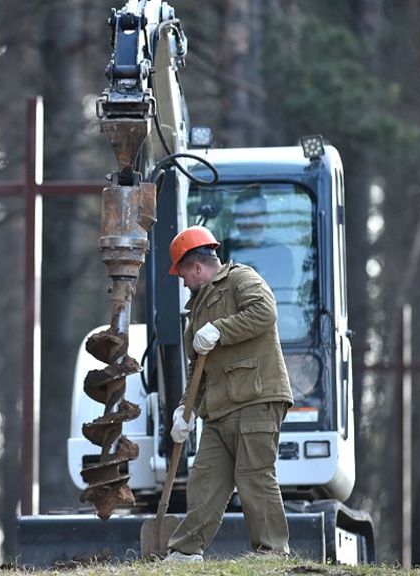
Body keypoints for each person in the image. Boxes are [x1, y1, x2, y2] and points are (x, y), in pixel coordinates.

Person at [163, 225, 293, 563]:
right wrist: (185, 410)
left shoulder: (240, 278)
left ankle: (272, 553)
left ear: (196, 267)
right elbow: (197, 368)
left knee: (254, 477)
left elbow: (265, 312)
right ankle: (185, 552)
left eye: (182, 274)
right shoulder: (196, 311)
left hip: (256, 398)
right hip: (219, 409)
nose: (183, 282)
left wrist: (219, 330)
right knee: (204, 480)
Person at [220, 189, 295, 299]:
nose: (248, 222)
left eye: (254, 216)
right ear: (234, 218)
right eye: (242, 216)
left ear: (266, 218)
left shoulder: (281, 254)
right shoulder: (220, 251)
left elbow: (283, 296)